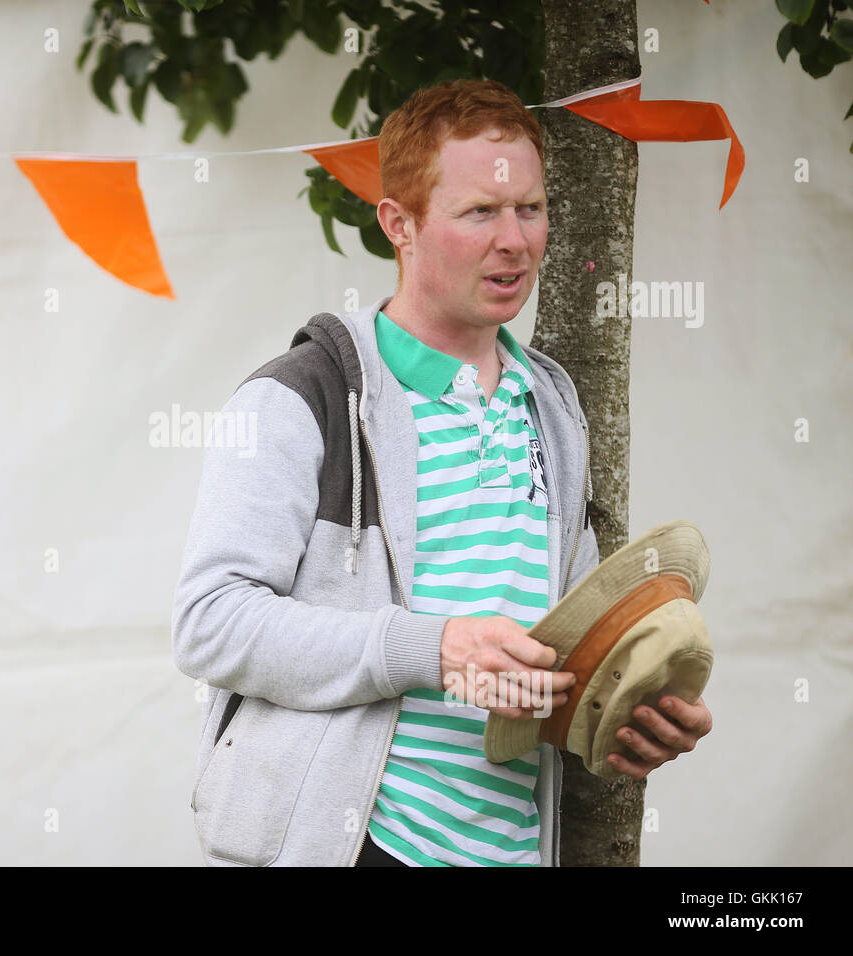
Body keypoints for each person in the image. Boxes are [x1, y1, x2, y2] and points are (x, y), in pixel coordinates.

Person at [171, 79, 712, 867]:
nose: (516, 240)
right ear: (401, 224)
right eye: (480, 213)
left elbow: (563, 659)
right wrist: (434, 649)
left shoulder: (552, 410)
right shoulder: (300, 397)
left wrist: (632, 711)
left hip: (511, 853)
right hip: (353, 847)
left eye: (530, 208)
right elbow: (210, 623)